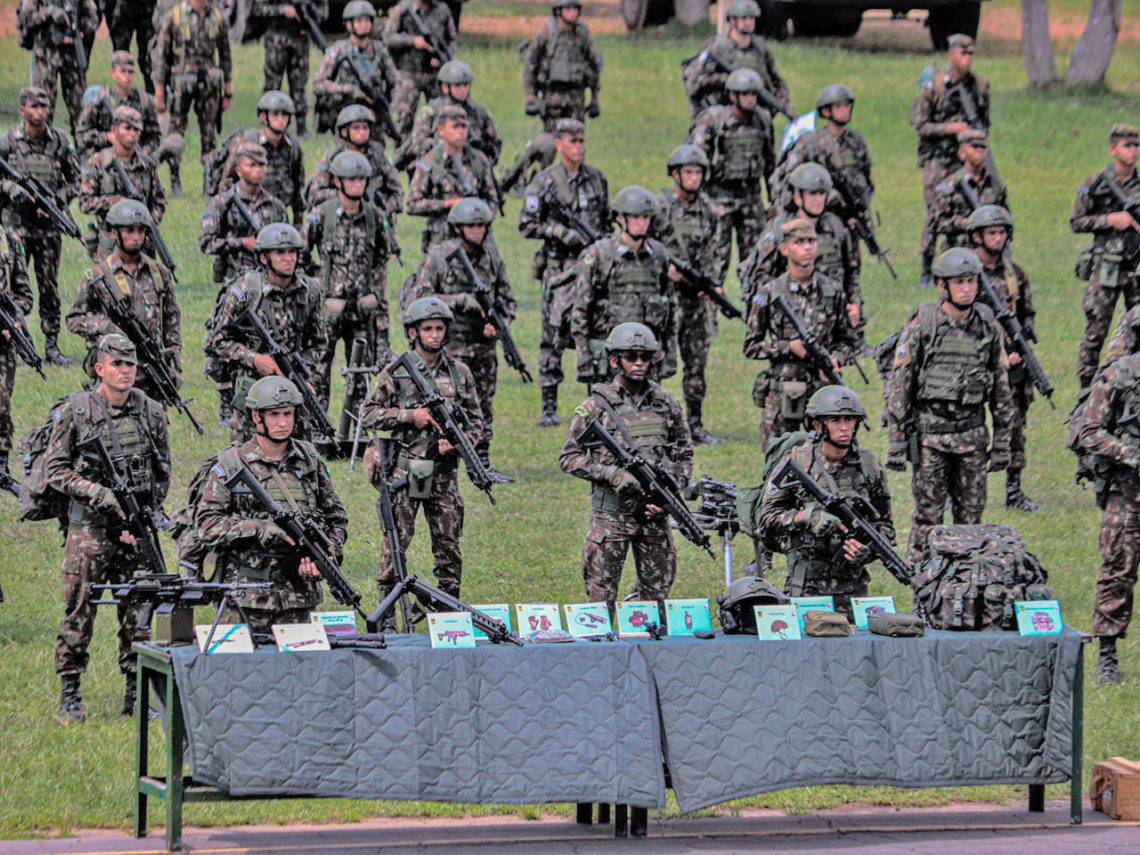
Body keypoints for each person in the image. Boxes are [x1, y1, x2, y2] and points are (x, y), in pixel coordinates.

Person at [45, 333, 170, 721]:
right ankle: (71, 694)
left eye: (130, 364)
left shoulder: (150, 412)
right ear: (100, 368)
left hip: (134, 530)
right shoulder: (76, 410)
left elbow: (161, 470)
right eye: (117, 364)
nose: (125, 371)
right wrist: (98, 493)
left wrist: (143, 515)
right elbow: (55, 471)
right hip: (89, 531)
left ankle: (136, 693)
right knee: (79, 610)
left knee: (139, 611)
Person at [884, 247, 1014, 563]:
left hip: (972, 439)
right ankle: (921, 583)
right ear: (943, 286)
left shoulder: (987, 326)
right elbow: (900, 385)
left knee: (971, 520)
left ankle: (965, 584)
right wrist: (897, 442)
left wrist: (1003, 444)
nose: (967, 288)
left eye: (971, 281)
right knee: (927, 518)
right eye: (960, 282)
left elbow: (1001, 390)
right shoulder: (922, 326)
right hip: (930, 440)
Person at [360, 297, 484, 618]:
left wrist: (456, 444)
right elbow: (368, 415)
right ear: (413, 332)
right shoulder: (397, 372)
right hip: (410, 468)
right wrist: (408, 415)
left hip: (444, 472)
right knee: (397, 543)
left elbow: (478, 424)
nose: (433, 335)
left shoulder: (460, 373)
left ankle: (447, 611)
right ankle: (386, 615)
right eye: (427, 329)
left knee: (449, 545)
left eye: (439, 328)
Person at [194, 376, 348, 634]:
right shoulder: (233, 464)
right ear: (256, 417)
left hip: (298, 599)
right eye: (274, 414)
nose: (283, 422)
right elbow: (207, 526)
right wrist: (257, 528)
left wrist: (328, 553)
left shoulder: (309, 460)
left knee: (300, 671)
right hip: (246, 599)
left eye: (288, 414)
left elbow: (336, 518)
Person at [559, 322, 693, 609]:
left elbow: (684, 454)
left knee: (656, 600)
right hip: (611, 519)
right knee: (599, 601)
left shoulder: (667, 404)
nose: (640, 363)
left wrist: (667, 495)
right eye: (631, 356)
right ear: (614, 360)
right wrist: (610, 474)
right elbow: (569, 457)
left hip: (653, 518)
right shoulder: (595, 407)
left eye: (645, 357)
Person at [759, 386, 895, 621]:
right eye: (835, 420)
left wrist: (868, 551)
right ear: (818, 425)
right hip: (806, 586)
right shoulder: (797, 462)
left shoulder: (868, 465)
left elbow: (886, 528)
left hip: (853, 589)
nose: (844, 427)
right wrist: (807, 517)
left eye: (850, 420)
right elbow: (766, 520)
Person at [411, 198, 516, 482]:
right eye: (471, 225)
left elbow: (507, 299)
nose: (477, 231)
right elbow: (420, 297)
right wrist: (458, 301)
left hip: (482, 345)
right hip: (448, 344)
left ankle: (481, 459)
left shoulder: (491, 258)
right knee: (442, 401)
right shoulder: (440, 256)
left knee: (482, 403)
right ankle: (432, 457)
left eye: (482, 225)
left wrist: (500, 324)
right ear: (457, 227)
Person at [518, 118, 609, 426]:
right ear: (558, 144)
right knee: (553, 334)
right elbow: (526, 224)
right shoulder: (543, 182)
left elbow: (607, 224)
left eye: (582, 141)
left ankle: (595, 399)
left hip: (591, 269)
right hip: (558, 270)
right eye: (572, 142)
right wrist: (559, 231)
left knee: (592, 332)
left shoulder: (597, 179)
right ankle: (549, 406)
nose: (579, 148)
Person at [204, 223, 327, 443]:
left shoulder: (310, 291)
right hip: (252, 389)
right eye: (280, 253)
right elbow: (217, 340)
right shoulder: (245, 290)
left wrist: (307, 376)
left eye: (292, 252)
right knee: (246, 458)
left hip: (291, 386)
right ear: (264, 258)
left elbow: (318, 343)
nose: (288, 258)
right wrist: (255, 359)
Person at [743, 218, 857, 450]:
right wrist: (788, 347)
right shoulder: (770, 292)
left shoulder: (832, 290)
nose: (807, 248)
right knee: (778, 468)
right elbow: (751, 346)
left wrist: (837, 358)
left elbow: (848, 341)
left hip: (823, 396)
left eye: (811, 242)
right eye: (800, 242)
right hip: (782, 397)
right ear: (785, 249)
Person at [301, 150, 392, 411]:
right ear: (338, 182)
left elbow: (381, 259)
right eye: (350, 180)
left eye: (361, 180)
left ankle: (357, 432)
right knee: (318, 371)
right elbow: (299, 255)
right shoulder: (322, 214)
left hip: (361, 309)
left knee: (361, 373)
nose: (356, 185)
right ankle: (317, 432)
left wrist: (375, 295)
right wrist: (318, 290)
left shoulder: (375, 217)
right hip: (327, 309)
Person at [67, 200, 181, 403]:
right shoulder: (98, 275)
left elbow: (172, 319)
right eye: (129, 230)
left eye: (140, 231)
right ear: (114, 233)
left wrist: (173, 358)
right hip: (114, 371)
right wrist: (106, 326)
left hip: (151, 370)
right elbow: (74, 319)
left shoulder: (159, 274)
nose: (136, 237)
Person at [0, 86, 83, 366]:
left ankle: (51, 345)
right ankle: (13, 339)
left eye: (45, 106)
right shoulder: (7, 142)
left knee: (49, 286)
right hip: (15, 230)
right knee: (13, 288)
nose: (40, 112)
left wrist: (57, 200)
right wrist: (14, 190)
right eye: (34, 106)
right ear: (22, 109)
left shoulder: (60, 141)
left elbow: (76, 180)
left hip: (48, 229)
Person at [966, 204, 1039, 512]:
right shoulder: (965, 273)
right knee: (965, 424)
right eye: (991, 233)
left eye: (1001, 232)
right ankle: (957, 488)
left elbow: (1027, 315)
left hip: (1011, 362)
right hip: (974, 360)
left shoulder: (1014, 274)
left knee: (1016, 422)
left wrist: (1019, 344)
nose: (997, 238)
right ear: (977, 236)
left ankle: (1014, 489)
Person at [740, 163, 861, 342]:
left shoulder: (835, 227)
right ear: (797, 197)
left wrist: (853, 303)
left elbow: (851, 270)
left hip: (829, 315)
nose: (818, 199)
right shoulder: (779, 229)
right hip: (791, 319)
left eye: (822, 193)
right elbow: (758, 274)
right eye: (812, 193)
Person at [572, 186, 678, 388]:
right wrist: (583, 355)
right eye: (636, 217)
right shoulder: (599, 255)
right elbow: (581, 309)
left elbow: (671, 308)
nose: (641, 223)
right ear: (621, 218)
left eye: (646, 218)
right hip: (608, 356)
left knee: (648, 416)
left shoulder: (659, 255)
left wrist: (671, 354)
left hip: (647, 357)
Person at [652, 144, 722, 444]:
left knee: (697, 361)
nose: (694, 178)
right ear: (675, 174)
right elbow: (646, 246)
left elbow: (715, 251)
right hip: (666, 298)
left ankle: (694, 422)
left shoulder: (708, 209)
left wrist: (712, 284)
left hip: (696, 298)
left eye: (698, 172)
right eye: (688, 172)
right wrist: (666, 272)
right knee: (659, 361)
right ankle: (656, 421)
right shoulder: (660, 206)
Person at [1077, 351, 1140, 684]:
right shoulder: (1122, 374)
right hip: (1128, 491)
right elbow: (1089, 430)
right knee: (1117, 569)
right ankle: (1107, 656)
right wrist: (1128, 452)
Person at [689, 68, 775, 283]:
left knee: (756, 260)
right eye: (744, 94)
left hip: (751, 197)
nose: (750, 99)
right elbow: (696, 157)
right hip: (720, 197)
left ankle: (756, 309)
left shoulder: (763, 120)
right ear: (732, 96)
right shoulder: (714, 120)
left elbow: (770, 163)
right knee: (716, 257)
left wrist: (774, 200)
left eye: (753, 94)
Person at [1072, 123, 1140, 390]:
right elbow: (1077, 221)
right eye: (1127, 145)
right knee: (1096, 330)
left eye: (1136, 146)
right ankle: (1086, 388)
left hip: (1136, 268)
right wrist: (1111, 219)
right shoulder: (1096, 183)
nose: (1133, 151)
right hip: (1107, 268)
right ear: (1113, 149)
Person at [151, 0, 233, 186]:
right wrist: (159, 92)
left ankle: (209, 178)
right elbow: (162, 56)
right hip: (181, 83)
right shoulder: (175, 16)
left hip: (209, 84)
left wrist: (228, 90)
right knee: (176, 130)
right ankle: (174, 178)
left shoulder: (218, 17)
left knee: (209, 132)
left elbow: (225, 55)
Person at [910, 33, 989, 208]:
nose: (967, 59)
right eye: (963, 53)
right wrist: (951, 129)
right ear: (951, 56)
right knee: (936, 210)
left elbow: (985, 124)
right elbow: (921, 126)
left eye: (971, 54)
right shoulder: (935, 86)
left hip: (968, 160)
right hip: (939, 159)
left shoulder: (979, 86)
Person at [78, 106, 168, 259]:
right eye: (127, 128)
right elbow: (85, 203)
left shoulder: (147, 165)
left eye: (136, 130)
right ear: (114, 129)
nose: (132, 134)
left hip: (142, 244)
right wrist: (117, 203)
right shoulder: (98, 162)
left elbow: (159, 201)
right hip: (110, 245)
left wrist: (147, 224)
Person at [406, 105, 498, 251]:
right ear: (441, 130)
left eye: (464, 127)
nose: (461, 132)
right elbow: (412, 204)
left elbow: (492, 199)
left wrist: (478, 223)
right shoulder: (429, 162)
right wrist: (447, 204)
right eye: (455, 127)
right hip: (441, 242)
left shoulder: (478, 160)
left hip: (477, 244)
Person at [921, 129, 1007, 286]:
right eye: (974, 147)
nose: (980, 152)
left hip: (991, 257)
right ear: (962, 152)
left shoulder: (996, 186)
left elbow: (1005, 219)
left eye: (983, 147)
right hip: (959, 255)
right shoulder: (949, 186)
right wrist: (969, 223)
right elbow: (938, 223)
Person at [777, 83, 872, 221]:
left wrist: (863, 211)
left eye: (847, 105)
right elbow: (790, 178)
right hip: (820, 215)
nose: (844, 110)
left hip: (852, 215)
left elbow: (866, 178)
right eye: (838, 106)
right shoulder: (810, 143)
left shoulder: (855, 142)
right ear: (826, 111)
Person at [210, 90, 306, 226]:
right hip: (245, 214)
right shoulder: (246, 142)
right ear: (263, 117)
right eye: (275, 114)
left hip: (278, 215)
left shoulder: (293, 146)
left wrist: (297, 224)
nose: (281, 119)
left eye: (285, 115)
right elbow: (227, 181)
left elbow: (298, 187)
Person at [200, 142, 289, 287]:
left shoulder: (276, 206)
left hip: (270, 285)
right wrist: (242, 243)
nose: (258, 170)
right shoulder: (222, 202)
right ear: (238, 171)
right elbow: (207, 243)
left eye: (262, 165)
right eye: (251, 165)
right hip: (234, 283)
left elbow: (287, 245)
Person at [683, 0, 788, 120]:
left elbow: (776, 80)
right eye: (744, 18)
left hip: (755, 116)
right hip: (720, 115)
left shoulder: (760, 48)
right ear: (732, 21)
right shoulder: (717, 47)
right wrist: (726, 80)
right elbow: (694, 82)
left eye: (751, 18)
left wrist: (782, 103)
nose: (748, 22)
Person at [394, 60, 502, 172]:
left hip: (472, 171)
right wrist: (450, 145)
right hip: (437, 170)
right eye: (458, 85)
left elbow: (494, 145)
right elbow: (419, 144)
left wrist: (478, 157)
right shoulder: (431, 112)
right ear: (445, 87)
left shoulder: (479, 113)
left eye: (466, 85)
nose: (463, 90)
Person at [312, 0, 398, 137]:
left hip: (372, 113)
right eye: (358, 21)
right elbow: (318, 84)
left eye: (366, 21)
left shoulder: (379, 50)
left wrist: (385, 103)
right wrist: (347, 89)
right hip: (345, 112)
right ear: (348, 24)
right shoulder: (339, 49)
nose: (363, 25)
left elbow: (394, 82)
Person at [16, 0, 99, 138]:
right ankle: (39, 149)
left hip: (72, 56)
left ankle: (82, 150)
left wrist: (79, 28)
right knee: (40, 108)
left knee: (80, 109)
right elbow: (25, 19)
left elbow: (93, 18)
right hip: (45, 56)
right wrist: (49, 13)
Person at [304, 104, 403, 218]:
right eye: (356, 128)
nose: (362, 132)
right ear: (344, 132)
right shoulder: (332, 158)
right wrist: (344, 195)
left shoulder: (379, 155)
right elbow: (314, 196)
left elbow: (397, 192)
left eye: (365, 127)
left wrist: (382, 211)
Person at [522, 0, 603, 133]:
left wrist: (595, 99)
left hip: (576, 95)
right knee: (551, 139)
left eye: (575, 8)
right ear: (559, 11)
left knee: (575, 138)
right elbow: (531, 62)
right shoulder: (548, 31)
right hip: (552, 94)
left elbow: (594, 65)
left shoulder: (582, 34)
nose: (573, 13)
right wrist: (530, 97)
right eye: (568, 8)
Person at [383, 0, 458, 138]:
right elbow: (388, 37)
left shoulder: (442, 10)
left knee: (440, 115)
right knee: (404, 117)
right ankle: (402, 151)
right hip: (409, 72)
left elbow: (452, 39)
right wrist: (412, 41)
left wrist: (443, 58)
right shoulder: (403, 9)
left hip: (435, 74)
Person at [253, 0, 327, 139]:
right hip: (277, 37)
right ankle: (269, 124)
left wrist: (310, 18)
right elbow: (258, 9)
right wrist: (282, 10)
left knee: (299, 84)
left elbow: (323, 9)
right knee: (272, 83)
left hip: (300, 38)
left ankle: (301, 126)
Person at [75, 51, 163, 160]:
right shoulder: (99, 100)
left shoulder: (144, 101)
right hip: (105, 163)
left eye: (131, 72)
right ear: (113, 73)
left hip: (136, 163)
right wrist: (107, 137)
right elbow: (81, 135)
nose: (127, 76)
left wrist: (144, 152)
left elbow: (155, 137)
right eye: (123, 71)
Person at [0, 225, 34, 489]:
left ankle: (1, 468)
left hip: (4, 341)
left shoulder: (9, 238)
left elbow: (25, 294)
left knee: (2, 403)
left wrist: (14, 317)